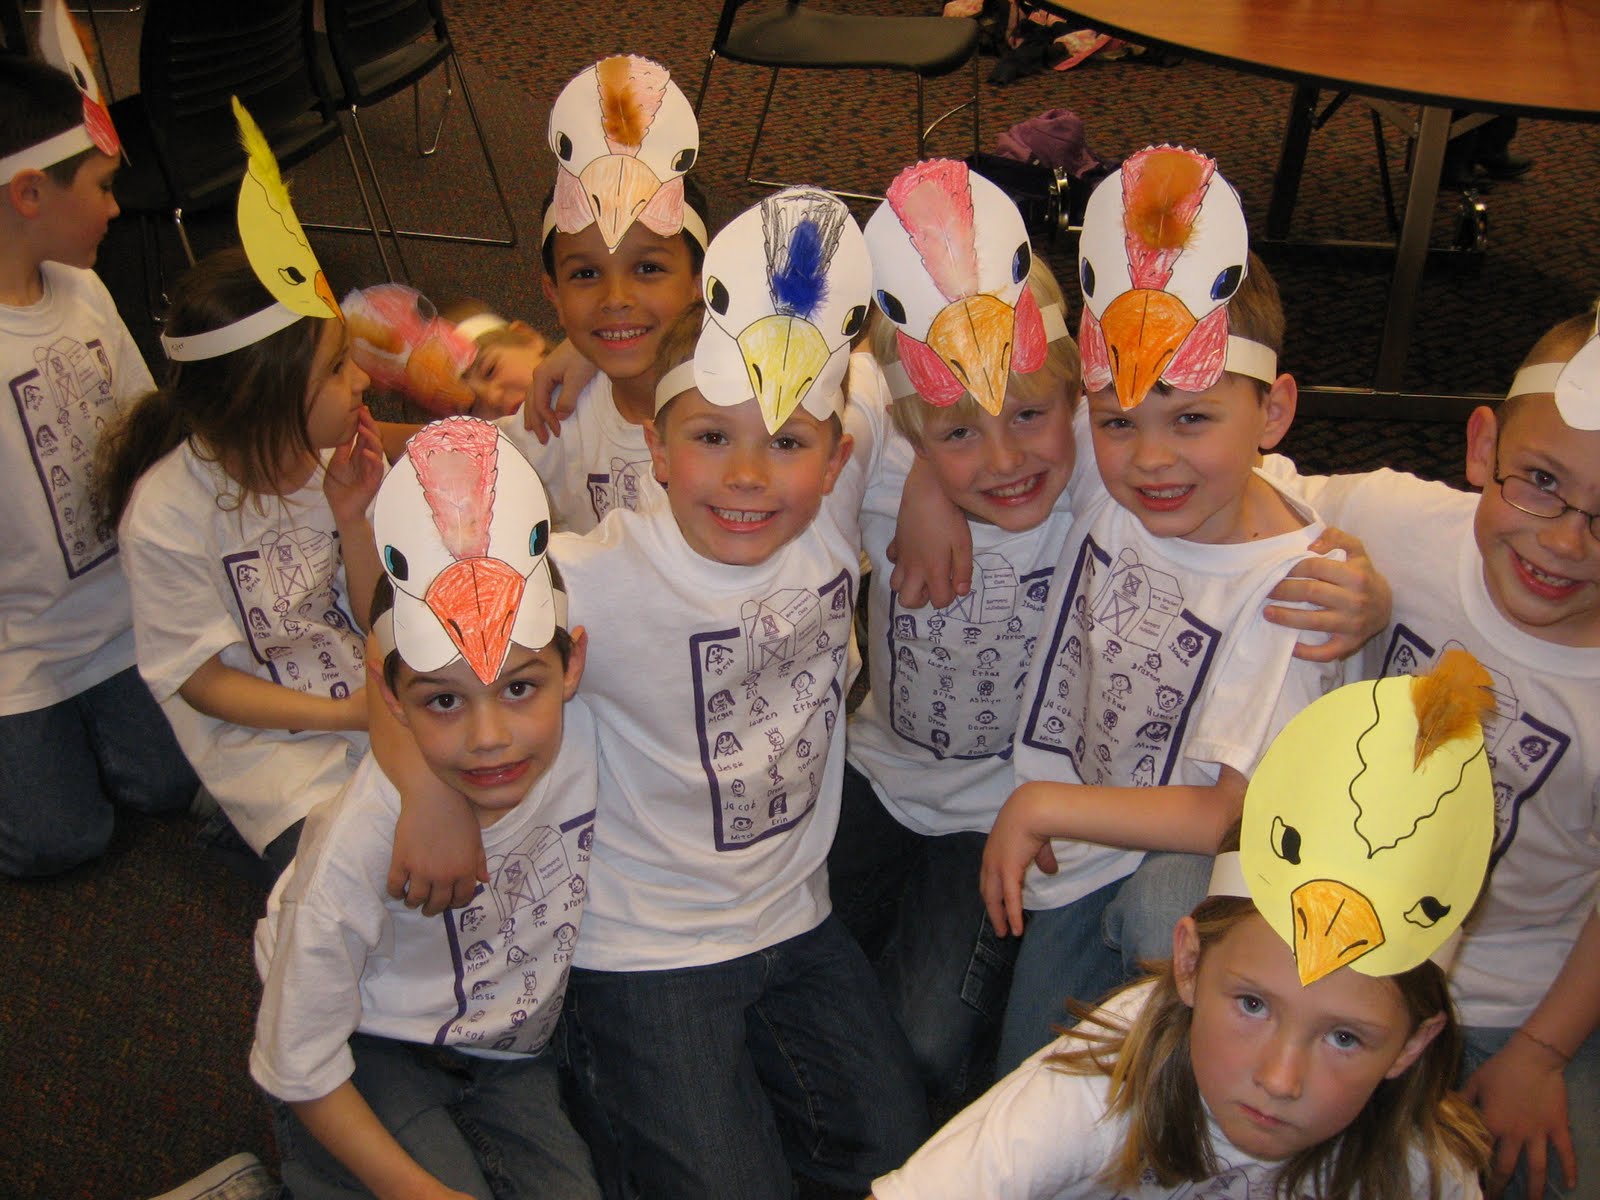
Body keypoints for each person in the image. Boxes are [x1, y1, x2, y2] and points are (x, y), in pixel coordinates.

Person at [385, 191, 930, 1200]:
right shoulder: (595, 577)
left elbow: (879, 354)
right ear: (656, 452)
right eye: (711, 439)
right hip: (640, 945)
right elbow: (406, 629)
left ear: (837, 456)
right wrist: (424, 795)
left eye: (788, 442)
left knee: (902, 1156)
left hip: (792, 917)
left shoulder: (831, 503)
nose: (750, 477)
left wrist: (931, 485)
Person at [905, 147, 1375, 1075]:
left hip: (1161, 853)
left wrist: (1040, 803)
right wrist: (927, 477)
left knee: (1116, 1083)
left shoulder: (1295, 593)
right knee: (1020, 1077)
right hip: (1073, 840)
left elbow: (1220, 817)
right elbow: (985, 411)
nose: (1150, 457)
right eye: (1117, 422)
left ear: (1274, 412)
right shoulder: (1107, 480)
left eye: (1192, 420)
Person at [873, 656, 1497, 1199]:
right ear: (1189, 963)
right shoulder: (1107, 1077)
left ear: (1413, 1045)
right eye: (1253, 1004)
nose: (1279, 1079)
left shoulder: (1423, 1170)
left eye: (1344, 1039)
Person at [1263, 310, 1600, 1199]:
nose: (1565, 543)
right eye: (1539, 482)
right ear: (1482, 445)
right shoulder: (1398, 521)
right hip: (1331, 944)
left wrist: (1540, 1051)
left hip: (1514, 1001)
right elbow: (1246, 481)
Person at [252, 417, 600, 1200]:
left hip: (506, 1050)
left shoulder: (591, 731)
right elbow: (300, 1058)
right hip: (367, 1039)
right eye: (444, 700)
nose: (489, 739)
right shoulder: (356, 843)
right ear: (393, 700)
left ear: (572, 664)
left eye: (520, 688)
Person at [828, 159, 1086, 1103]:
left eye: (1030, 414)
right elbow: (783, 373)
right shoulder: (887, 455)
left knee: (925, 1047)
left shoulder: (1101, 463)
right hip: (874, 776)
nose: (1007, 459)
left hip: (993, 818)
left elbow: (1227, 463)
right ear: (913, 428)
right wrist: (927, 479)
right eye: (960, 433)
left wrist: (1346, 569)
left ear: (1079, 397)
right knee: (768, 962)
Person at [97, 246, 383, 884]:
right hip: (264, 746)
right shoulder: (166, 515)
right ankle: (232, 823)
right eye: (336, 369)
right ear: (266, 401)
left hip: (366, 703)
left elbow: (373, 616)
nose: (360, 379)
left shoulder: (333, 456)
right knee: (357, 878)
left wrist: (353, 517)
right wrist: (344, 715)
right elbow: (203, 684)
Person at [0, 52, 197, 877]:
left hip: (118, 620)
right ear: (30, 194)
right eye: (103, 187)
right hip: (20, 652)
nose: (118, 209)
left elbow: (147, 435)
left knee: (169, 785)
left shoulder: (83, 292)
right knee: (61, 841)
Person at [496, 54, 705, 533]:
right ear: (552, 292)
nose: (615, 297)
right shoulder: (560, 415)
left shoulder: (749, 405)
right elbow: (469, 457)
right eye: (586, 274)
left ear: (700, 282)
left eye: (648, 268)